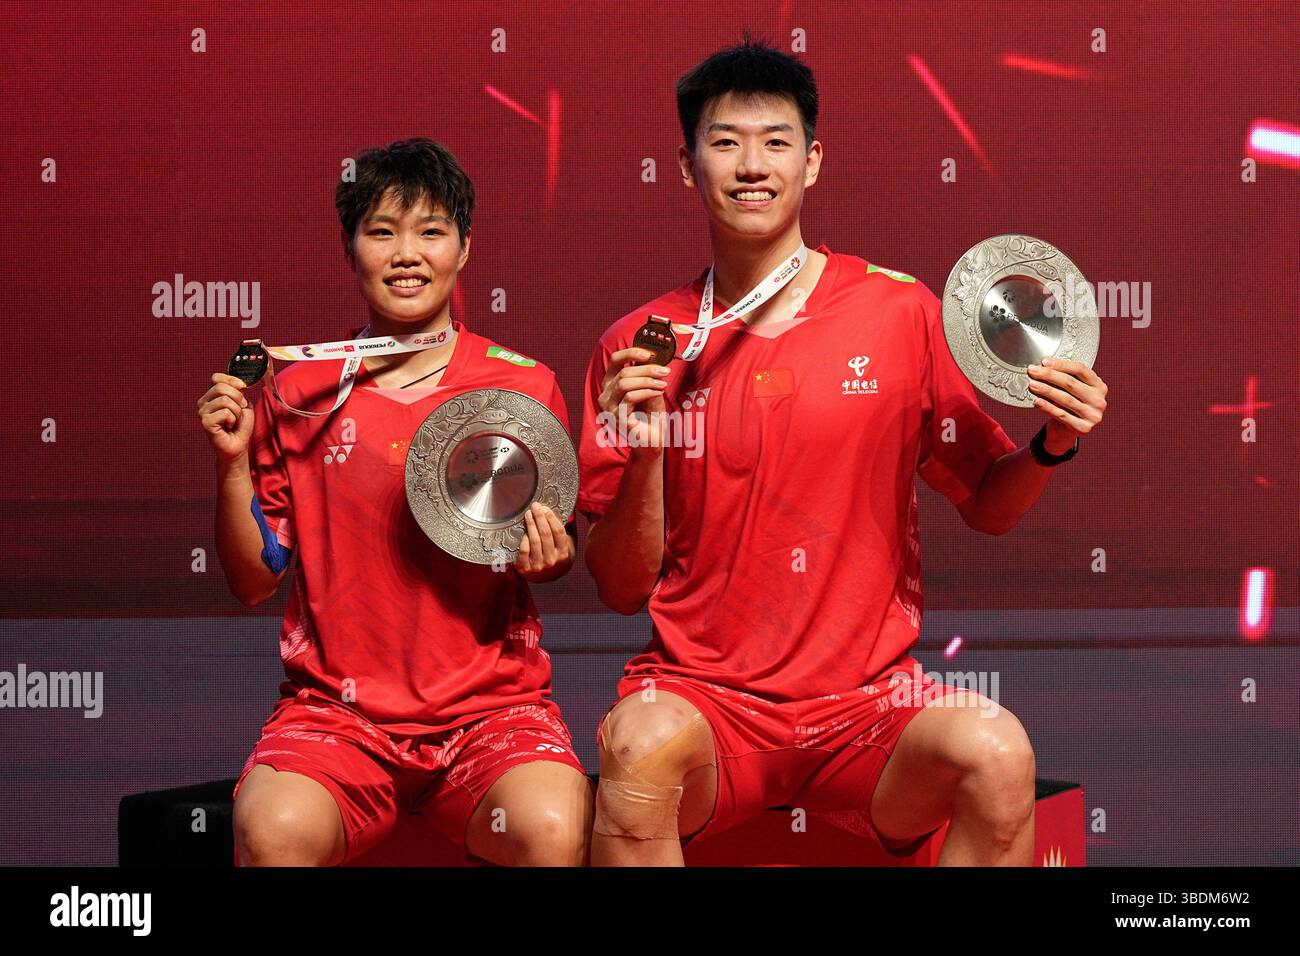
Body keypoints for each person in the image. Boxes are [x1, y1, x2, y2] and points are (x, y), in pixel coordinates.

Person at [578, 39, 1108, 866]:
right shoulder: (638, 346)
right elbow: (618, 587)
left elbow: (989, 507)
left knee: (997, 754)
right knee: (638, 751)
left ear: (813, 161)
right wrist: (645, 454)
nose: (751, 165)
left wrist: (1054, 444)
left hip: (870, 709)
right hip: (707, 704)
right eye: (724, 142)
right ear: (686, 167)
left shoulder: (901, 312)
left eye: (776, 141)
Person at [197, 138, 592, 866]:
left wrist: (550, 558)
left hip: (492, 717)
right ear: (351, 249)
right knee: (270, 831)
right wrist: (231, 467)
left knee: (554, 828)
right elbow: (254, 579)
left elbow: (550, 555)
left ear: (464, 248)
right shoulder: (296, 393)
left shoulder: (522, 387)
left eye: (431, 232)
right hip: (337, 720)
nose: (406, 253)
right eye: (382, 231)